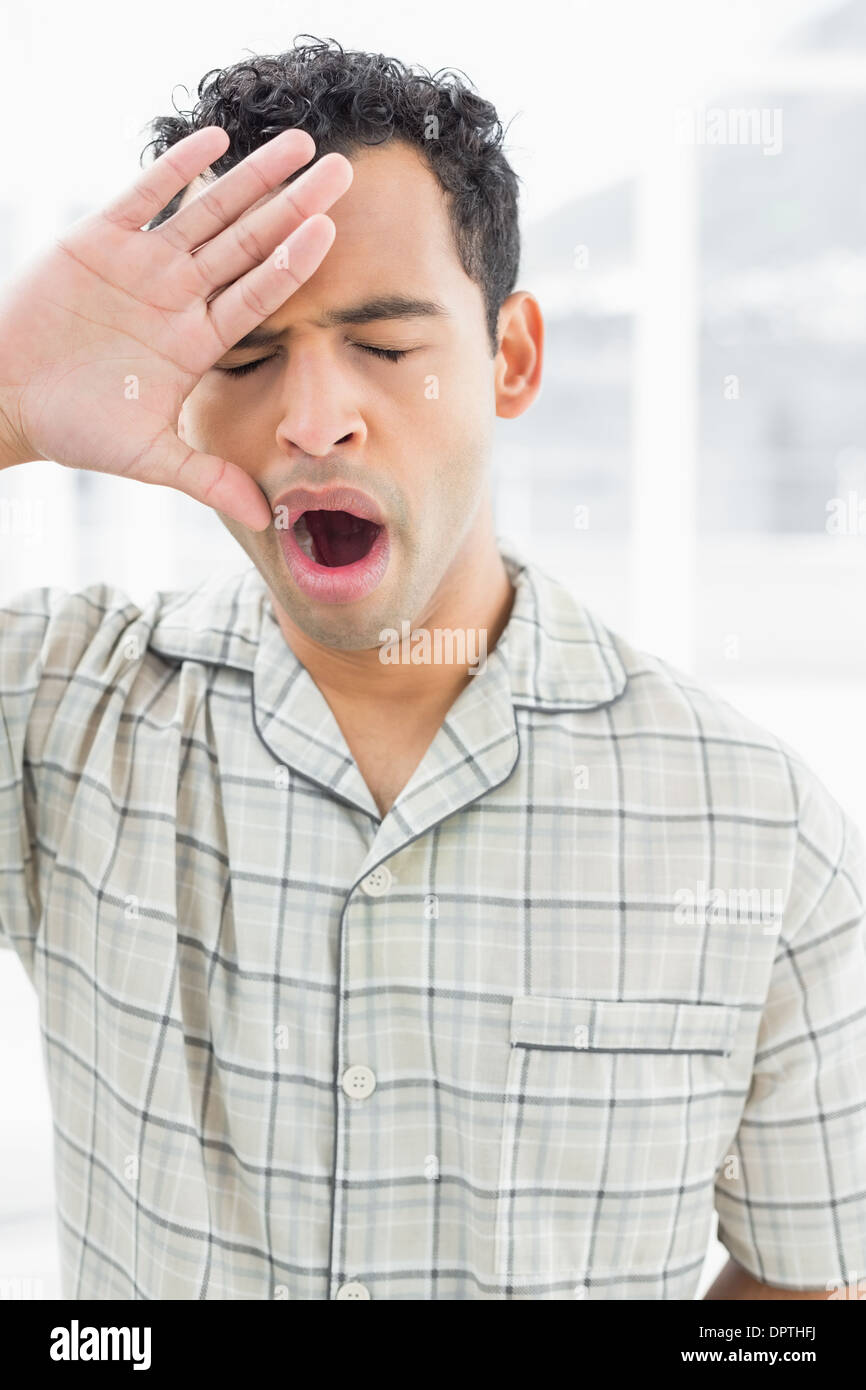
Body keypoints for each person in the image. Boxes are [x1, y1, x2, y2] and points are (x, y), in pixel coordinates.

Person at [0, 38, 864, 1302]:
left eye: (386, 346)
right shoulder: (59, 712)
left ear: (510, 358)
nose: (312, 420)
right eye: (244, 356)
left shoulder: (755, 826)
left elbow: (803, 1286)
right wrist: (11, 403)